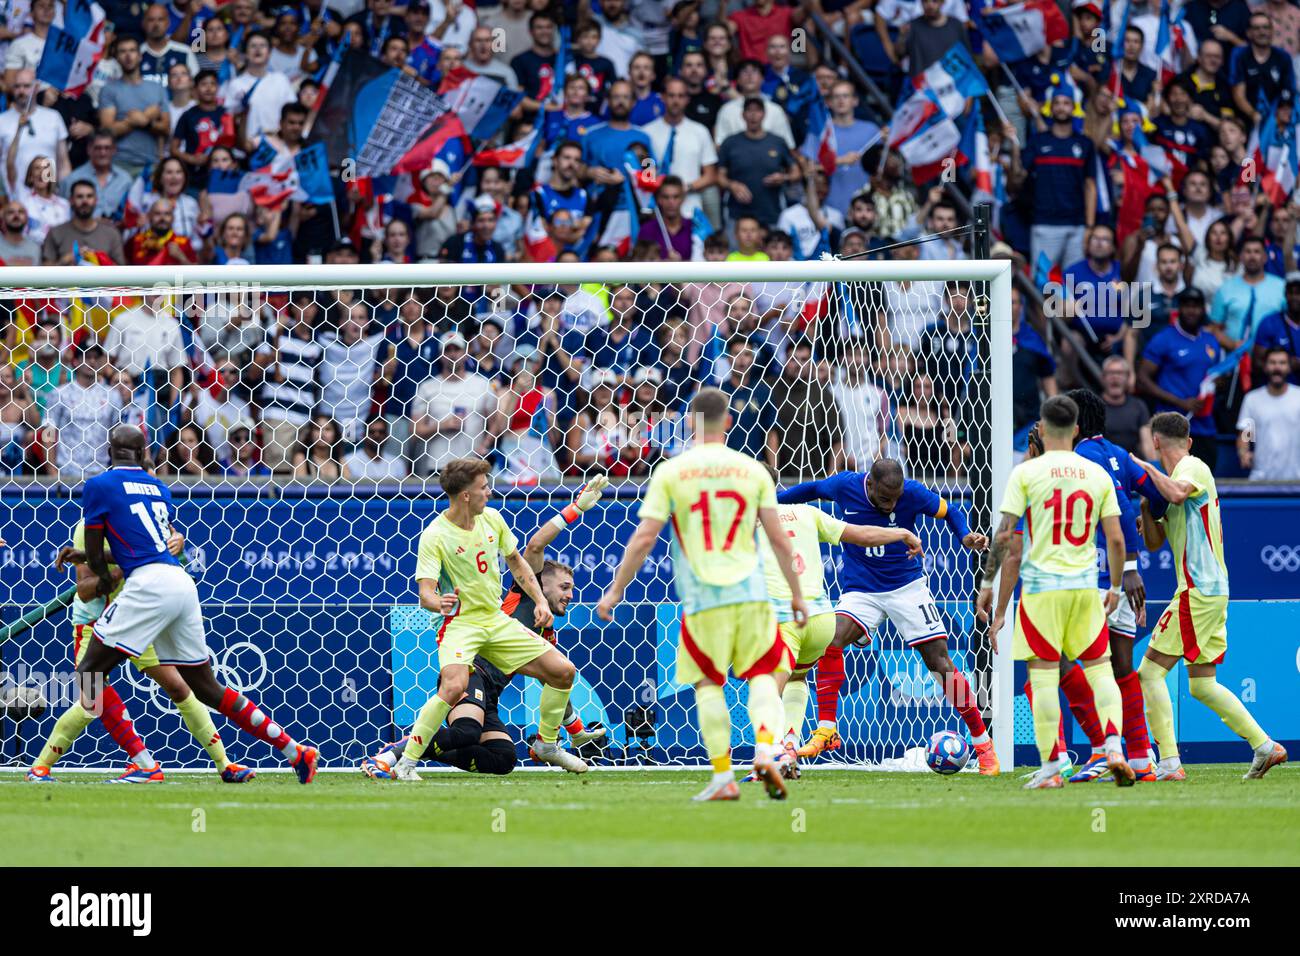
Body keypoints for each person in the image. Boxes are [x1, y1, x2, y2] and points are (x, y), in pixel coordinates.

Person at [29, 425, 319, 784]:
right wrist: (93, 557)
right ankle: (295, 751)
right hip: (180, 583)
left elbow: (102, 559)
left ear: (109, 450)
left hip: (145, 589)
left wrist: (100, 572)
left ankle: (140, 762)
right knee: (206, 687)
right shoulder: (160, 489)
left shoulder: (99, 486)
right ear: (143, 454)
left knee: (89, 673)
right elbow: (140, 545)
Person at [597, 387, 809, 801]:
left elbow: (643, 538)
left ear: (690, 423)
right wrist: (798, 595)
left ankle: (723, 777)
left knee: (708, 684)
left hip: (702, 600)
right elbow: (781, 539)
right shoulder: (751, 470)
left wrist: (616, 590)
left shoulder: (673, 472)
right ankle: (766, 749)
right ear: (728, 422)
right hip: (753, 594)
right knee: (764, 674)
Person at [778, 458, 997, 772]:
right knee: (831, 638)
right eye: (884, 499)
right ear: (869, 484)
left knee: (940, 664)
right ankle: (827, 729)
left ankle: (984, 747)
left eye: (895, 500)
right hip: (861, 589)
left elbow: (951, 511)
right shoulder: (845, 485)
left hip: (907, 586)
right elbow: (811, 488)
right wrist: (769, 505)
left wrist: (963, 534)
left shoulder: (914, 492)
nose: (890, 505)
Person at [392, 457, 588, 780]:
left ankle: (547, 745)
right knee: (453, 687)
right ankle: (406, 762)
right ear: (466, 495)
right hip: (460, 624)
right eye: (484, 487)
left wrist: (540, 599)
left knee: (563, 672)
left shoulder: (493, 519)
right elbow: (425, 593)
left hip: (495, 621)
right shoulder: (435, 535)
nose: (489, 492)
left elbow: (517, 561)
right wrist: (439, 603)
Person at [981, 395, 1133, 790]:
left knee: (1044, 675)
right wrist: (1115, 586)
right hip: (1085, 586)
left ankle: (1052, 767)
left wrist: (986, 583)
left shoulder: (1027, 474)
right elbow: (1116, 540)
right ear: (1078, 430)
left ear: (1043, 429)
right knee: (1100, 670)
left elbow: (1004, 535)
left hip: (1042, 590)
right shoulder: (1096, 473)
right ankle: (1114, 748)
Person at [1132, 412, 1287, 780]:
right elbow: (1155, 543)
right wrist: (1144, 508)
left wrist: (1138, 468)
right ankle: (1265, 746)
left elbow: (1178, 493)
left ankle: (1168, 762)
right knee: (1202, 684)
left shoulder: (1193, 468)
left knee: (1149, 673)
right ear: (1187, 439)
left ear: (1156, 442)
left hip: (1198, 590)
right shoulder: (1169, 481)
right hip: (1209, 590)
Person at [756, 464, 923, 776]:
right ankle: (790, 747)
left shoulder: (745, 521)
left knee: (766, 688)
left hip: (783, 618)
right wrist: (900, 533)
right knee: (796, 678)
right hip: (821, 620)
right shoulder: (805, 513)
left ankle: (770, 754)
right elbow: (860, 535)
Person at [1138, 286, 1222, 468]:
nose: (1192, 311)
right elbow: (1142, 379)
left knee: (1205, 487)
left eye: (1196, 306)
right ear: (1179, 309)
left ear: (1203, 310)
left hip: (1205, 426)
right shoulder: (1163, 339)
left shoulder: (1211, 341)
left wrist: (1218, 383)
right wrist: (1180, 402)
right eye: (1187, 305)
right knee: (1172, 486)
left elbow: (1214, 376)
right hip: (1172, 428)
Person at [1236, 347, 1300, 480]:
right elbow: (1246, 434)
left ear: (1289, 367)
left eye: (1282, 363)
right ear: (1265, 367)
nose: (1277, 367)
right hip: (1261, 479)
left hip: (1296, 480)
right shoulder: (1252, 399)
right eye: (1272, 362)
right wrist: (1243, 453)